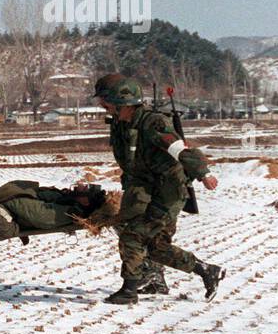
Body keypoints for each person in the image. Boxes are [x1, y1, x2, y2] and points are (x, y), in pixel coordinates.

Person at [93, 74, 225, 305]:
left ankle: (129, 290)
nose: (101, 105)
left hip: (168, 191)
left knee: (133, 235)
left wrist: (204, 174)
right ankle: (205, 271)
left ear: (119, 101)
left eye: (104, 100)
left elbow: (179, 149)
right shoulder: (120, 123)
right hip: (144, 189)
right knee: (156, 247)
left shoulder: (152, 122)